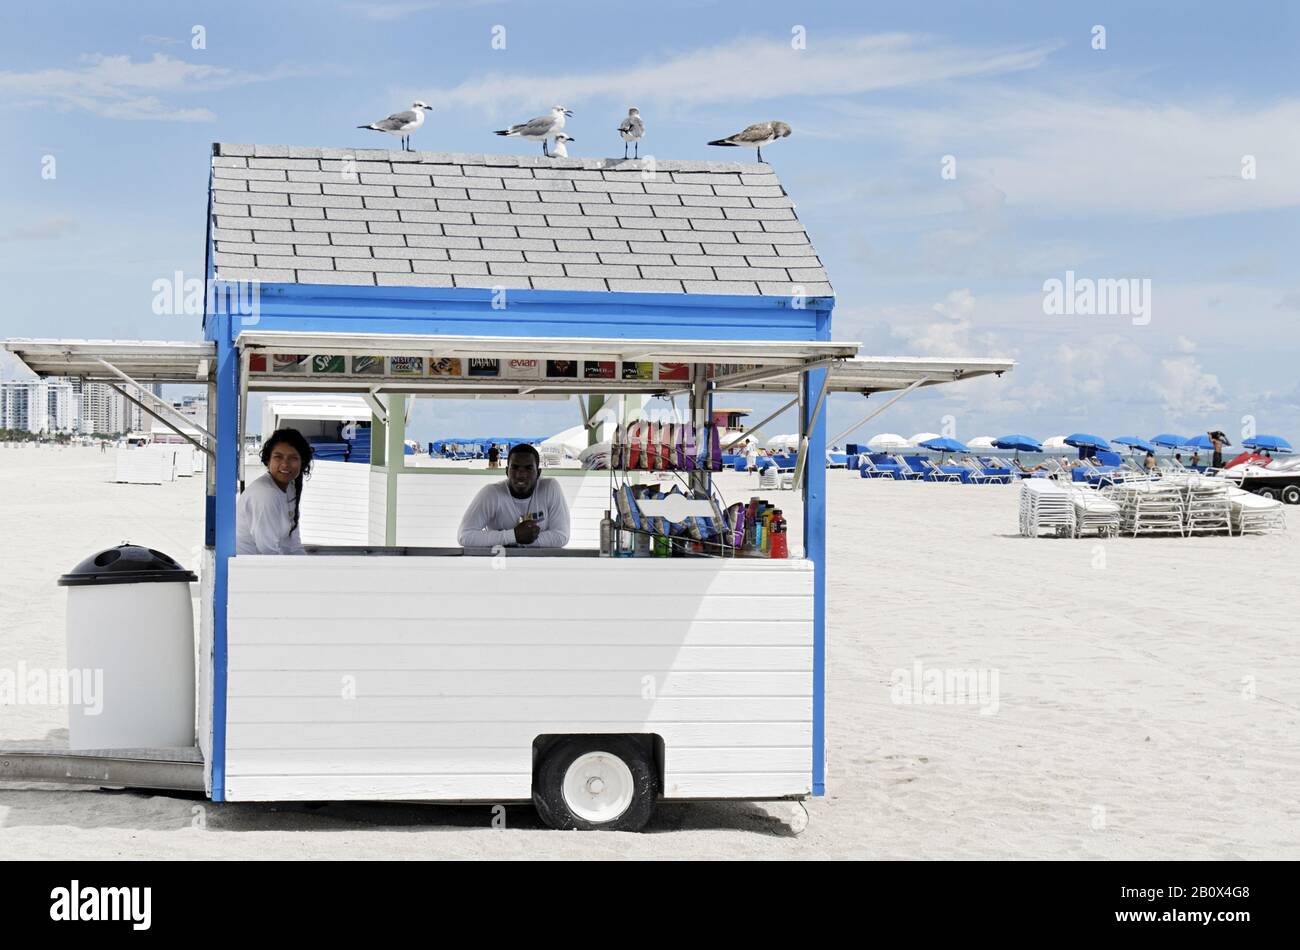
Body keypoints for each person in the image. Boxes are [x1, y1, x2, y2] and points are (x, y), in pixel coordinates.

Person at [458, 443, 570, 548]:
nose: (521, 474)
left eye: (528, 468)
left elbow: (561, 535)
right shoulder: (492, 493)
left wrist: (518, 539)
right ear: (507, 471)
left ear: (538, 473)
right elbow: (464, 535)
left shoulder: (550, 488)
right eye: (515, 467)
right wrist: (514, 536)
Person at [236, 428, 313, 555]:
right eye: (278, 457)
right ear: (268, 460)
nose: (285, 464)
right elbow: (268, 551)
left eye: (293, 458)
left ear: (302, 461)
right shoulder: (265, 494)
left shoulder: (290, 488)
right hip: (249, 569)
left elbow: (293, 543)